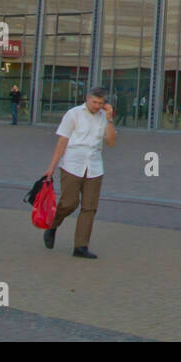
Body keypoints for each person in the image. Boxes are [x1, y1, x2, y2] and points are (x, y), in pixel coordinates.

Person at [42, 86, 117, 259]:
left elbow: (111, 142)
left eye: (101, 103)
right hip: (72, 165)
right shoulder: (73, 114)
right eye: (94, 102)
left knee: (89, 208)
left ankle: (80, 246)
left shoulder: (104, 118)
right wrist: (51, 167)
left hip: (95, 167)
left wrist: (110, 120)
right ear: (87, 98)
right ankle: (52, 225)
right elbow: (62, 141)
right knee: (69, 202)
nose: (97, 106)